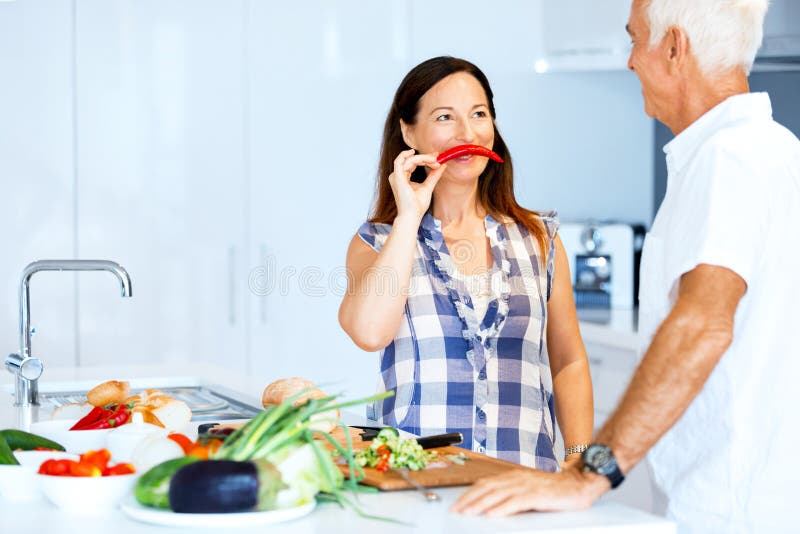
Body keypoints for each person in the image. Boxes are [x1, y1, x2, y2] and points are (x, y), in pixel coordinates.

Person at [452, 0, 800, 532]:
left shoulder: (728, 159)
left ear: (675, 47)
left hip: (728, 510)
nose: (630, 60)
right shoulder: (772, 149)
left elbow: (701, 326)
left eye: (635, 39)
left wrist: (587, 474)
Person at [338, 56, 594, 470]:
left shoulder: (539, 239)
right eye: (445, 117)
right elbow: (369, 332)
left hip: (525, 481)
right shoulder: (379, 241)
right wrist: (409, 217)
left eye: (479, 114)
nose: (467, 133)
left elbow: (569, 361)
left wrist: (579, 457)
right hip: (419, 482)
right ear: (409, 132)